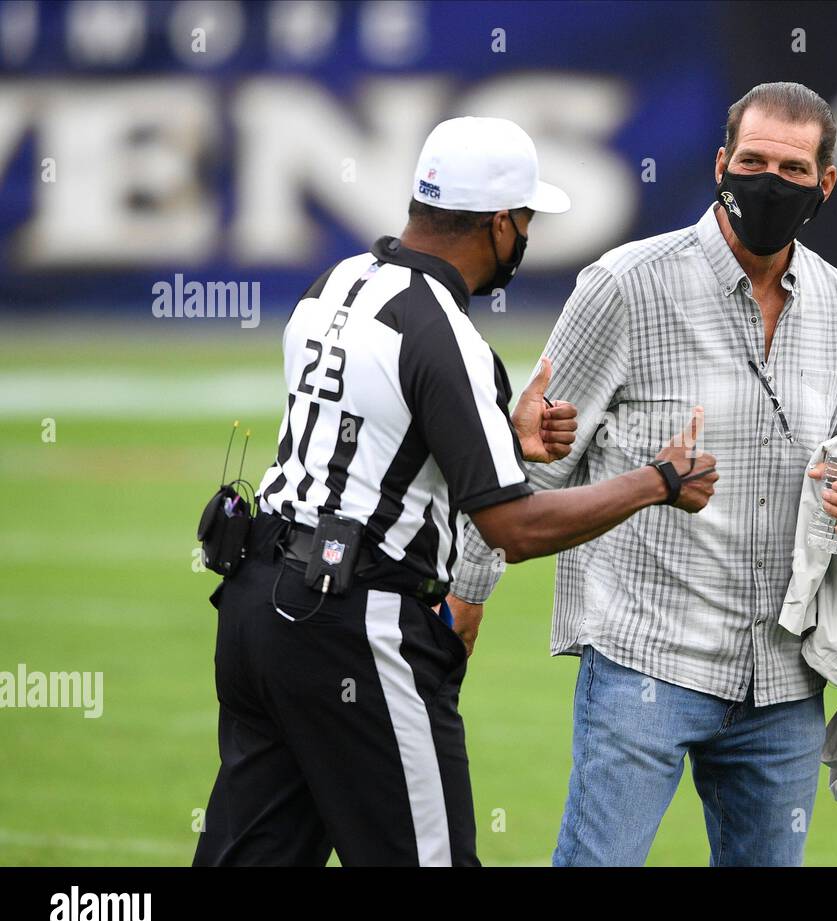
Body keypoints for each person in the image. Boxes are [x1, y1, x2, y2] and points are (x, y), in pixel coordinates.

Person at [193, 116, 718, 867]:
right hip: (352, 625)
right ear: (501, 223)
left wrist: (500, 435)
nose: (528, 238)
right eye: (527, 220)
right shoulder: (446, 334)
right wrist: (656, 482)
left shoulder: (336, 281)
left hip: (255, 608)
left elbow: (374, 432)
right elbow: (513, 528)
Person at [448, 84, 837, 866]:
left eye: (791, 168)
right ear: (721, 164)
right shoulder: (624, 286)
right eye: (752, 161)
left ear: (826, 184)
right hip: (645, 662)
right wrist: (466, 598)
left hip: (784, 681)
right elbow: (532, 461)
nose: (768, 182)